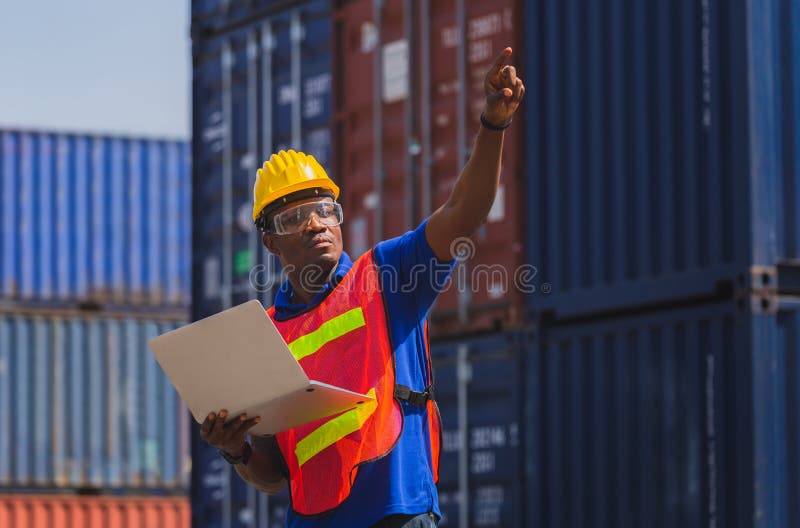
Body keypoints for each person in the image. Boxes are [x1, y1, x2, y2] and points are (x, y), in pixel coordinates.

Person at [199, 47, 524, 528]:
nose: (316, 224)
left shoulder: (387, 277)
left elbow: (464, 213)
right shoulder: (264, 337)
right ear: (270, 241)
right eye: (294, 217)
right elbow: (277, 475)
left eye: (325, 209)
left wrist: (492, 126)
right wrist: (236, 450)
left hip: (397, 515)